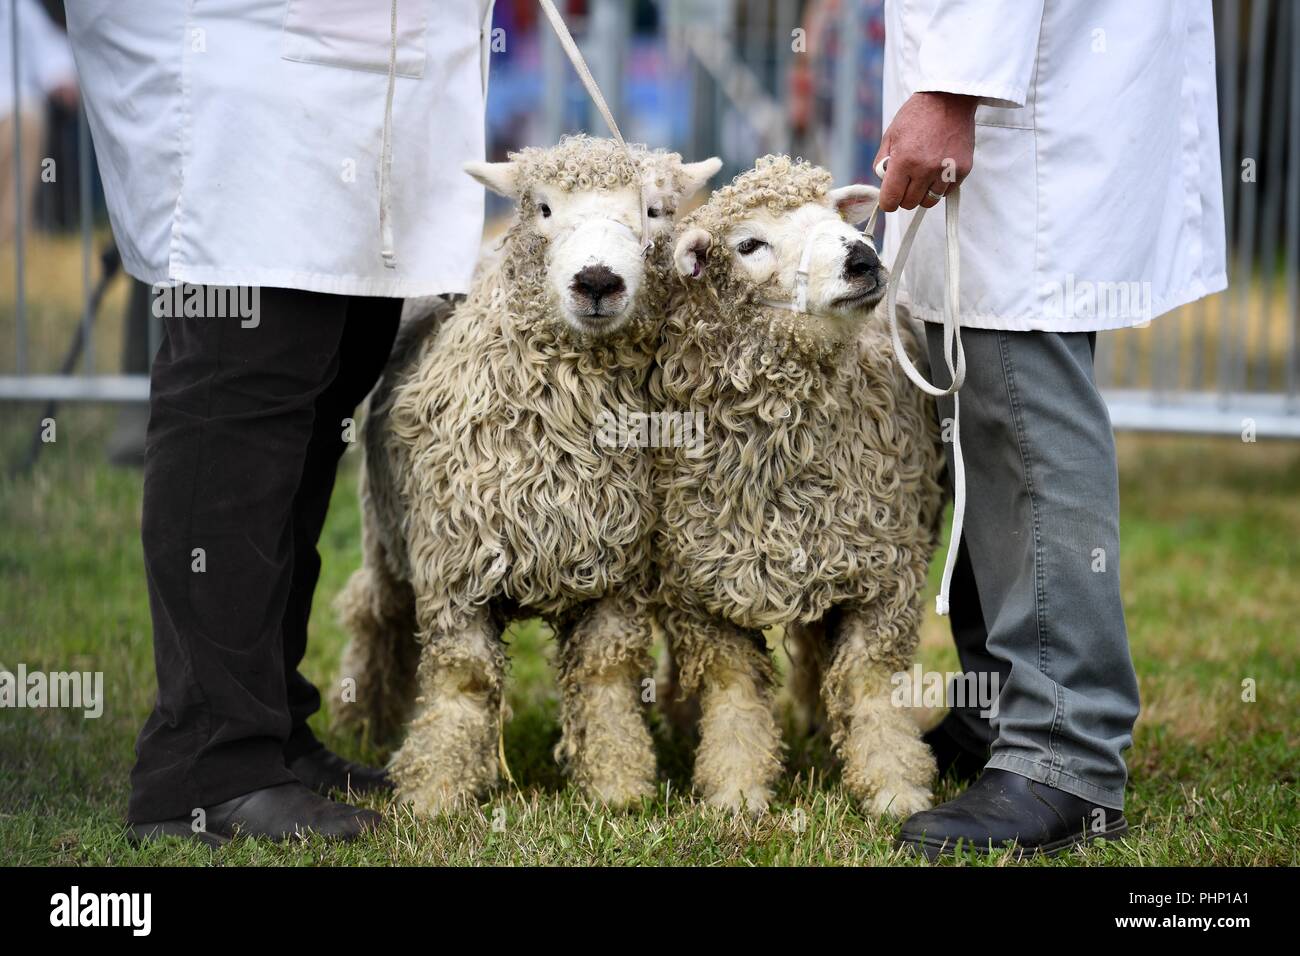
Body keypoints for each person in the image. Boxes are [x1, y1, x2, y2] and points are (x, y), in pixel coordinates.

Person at [64, 0, 496, 845]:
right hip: (246, 52)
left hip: (366, 75)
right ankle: (207, 764)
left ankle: (269, 725)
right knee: (244, 389)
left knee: (327, 371)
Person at [874, 0, 1226, 857]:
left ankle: (1065, 751)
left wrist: (953, 85)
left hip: (1021, 90)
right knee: (978, 399)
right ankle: (1001, 703)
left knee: (1017, 388)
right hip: (1028, 78)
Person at [0, 0, 78, 245]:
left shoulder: (18, 7)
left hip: (13, 113)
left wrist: (63, 81)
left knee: (30, 120)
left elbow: (54, 59)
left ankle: (11, 241)